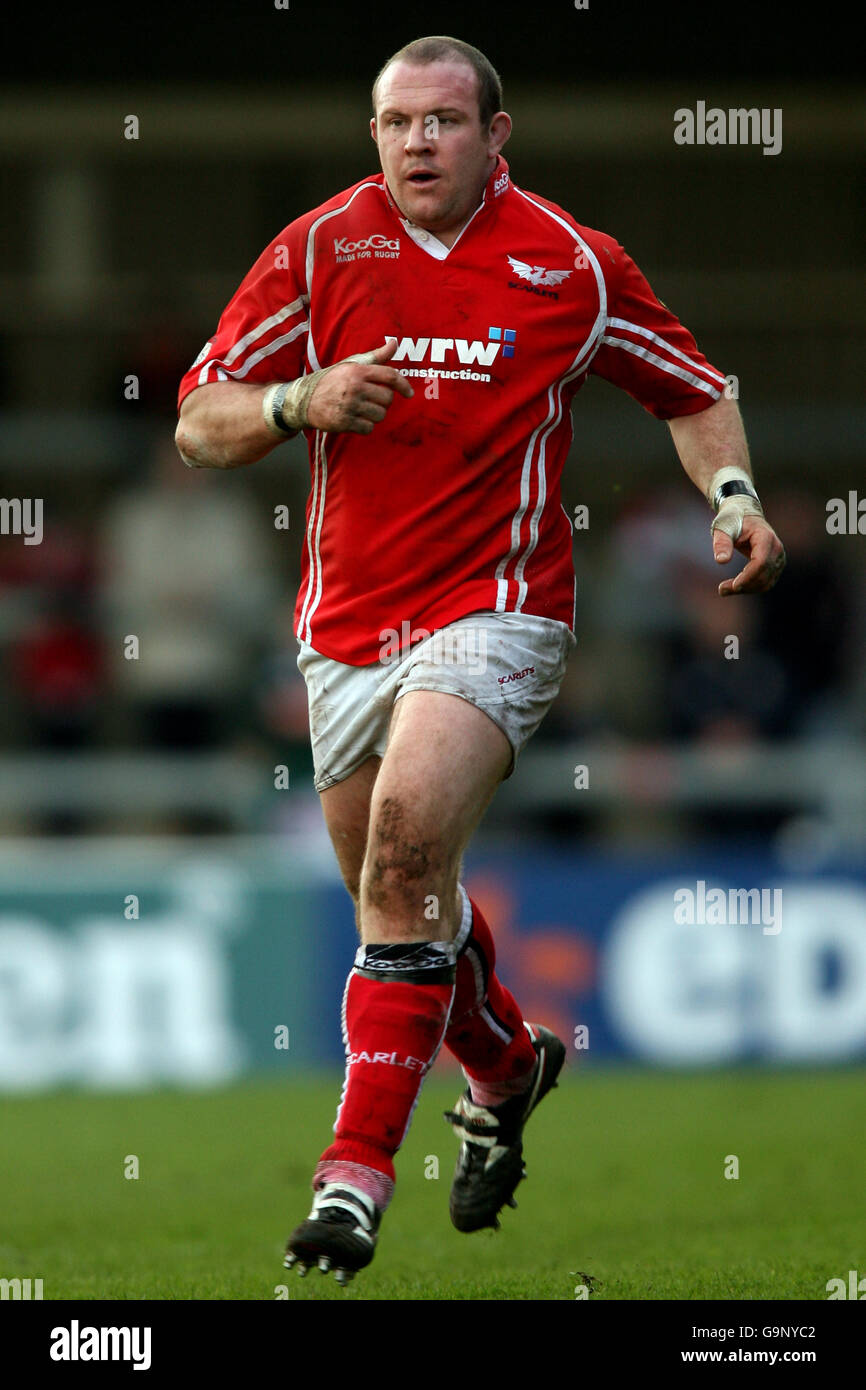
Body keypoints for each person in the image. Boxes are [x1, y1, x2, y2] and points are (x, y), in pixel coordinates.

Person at [175, 35, 786, 1286]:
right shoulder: (317, 249)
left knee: (406, 848)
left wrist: (731, 492)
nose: (417, 144)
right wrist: (298, 400)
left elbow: (686, 387)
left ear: (495, 136)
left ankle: (349, 1183)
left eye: (444, 122)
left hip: (499, 610)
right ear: (373, 136)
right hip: (344, 630)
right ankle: (507, 1068)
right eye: (397, 123)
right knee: (402, 904)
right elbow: (199, 419)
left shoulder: (569, 261)